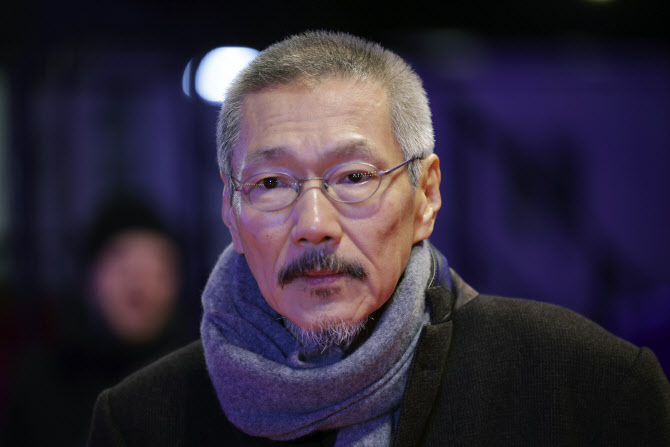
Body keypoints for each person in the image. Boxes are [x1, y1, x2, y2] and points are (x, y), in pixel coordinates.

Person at [87, 31, 670, 446]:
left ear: (426, 196)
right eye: (271, 183)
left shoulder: (586, 389)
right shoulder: (142, 422)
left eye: (354, 177)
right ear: (232, 213)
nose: (314, 222)